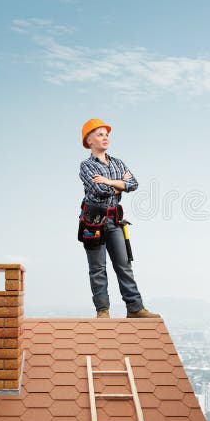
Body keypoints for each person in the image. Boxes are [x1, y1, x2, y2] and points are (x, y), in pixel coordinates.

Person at [78, 118, 159, 319]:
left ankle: (134, 308)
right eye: (99, 134)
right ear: (89, 141)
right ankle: (103, 311)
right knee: (97, 268)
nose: (105, 138)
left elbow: (134, 184)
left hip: (114, 220)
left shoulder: (118, 162)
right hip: (93, 221)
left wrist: (109, 181)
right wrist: (119, 183)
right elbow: (100, 189)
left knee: (124, 264)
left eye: (106, 134)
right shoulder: (86, 166)